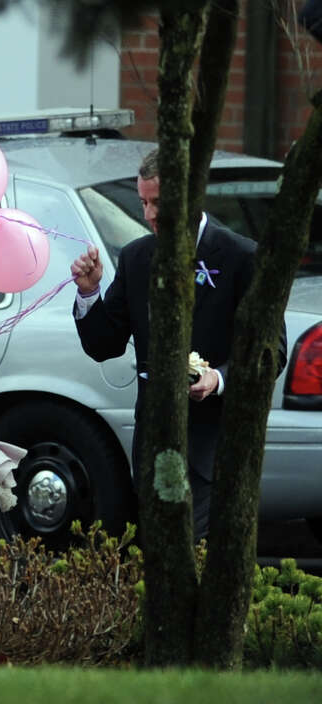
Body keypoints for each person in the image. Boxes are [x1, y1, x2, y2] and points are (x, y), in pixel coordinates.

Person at [69, 149, 286, 540]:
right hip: (153, 441)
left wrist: (218, 379)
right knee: (158, 553)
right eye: (143, 203)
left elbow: (272, 351)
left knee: (191, 551)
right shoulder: (136, 257)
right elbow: (104, 344)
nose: (149, 215)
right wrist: (89, 294)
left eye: (158, 203)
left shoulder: (241, 257)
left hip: (213, 445)